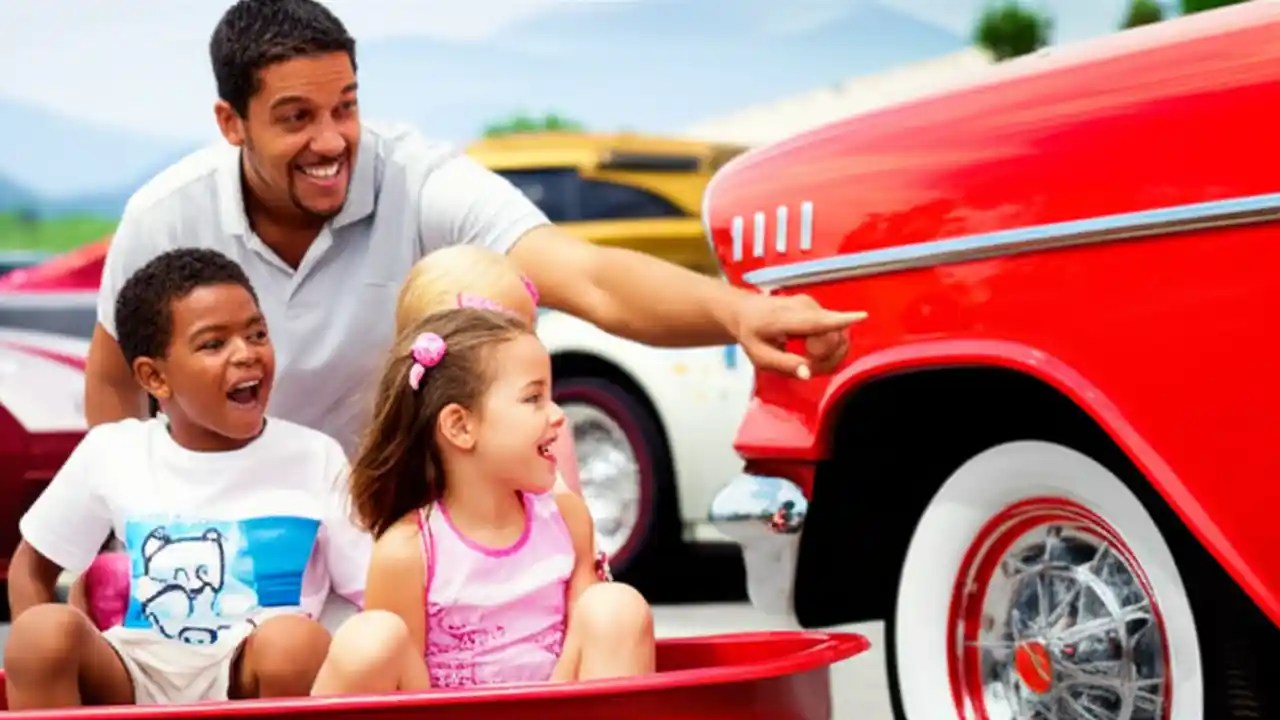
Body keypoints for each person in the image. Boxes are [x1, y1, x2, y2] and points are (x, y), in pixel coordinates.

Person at [83, 0, 865, 461]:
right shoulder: (165, 216)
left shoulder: (416, 179)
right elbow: (116, 382)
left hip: (384, 526)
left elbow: (587, 277)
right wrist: (119, 522)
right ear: (231, 123)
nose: (330, 140)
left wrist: (738, 311)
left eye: (346, 107)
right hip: (225, 527)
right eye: (296, 118)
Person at [4, 248, 369, 709]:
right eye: (214, 344)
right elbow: (31, 568)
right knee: (40, 634)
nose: (246, 354)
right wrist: (46, 662)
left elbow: (372, 590)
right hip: (137, 668)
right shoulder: (114, 451)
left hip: (250, 670)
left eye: (257, 334)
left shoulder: (314, 456)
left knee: (293, 642)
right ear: (155, 377)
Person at [310, 309, 654, 695]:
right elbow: (405, 689)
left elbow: (586, 649)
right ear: (460, 426)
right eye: (533, 398)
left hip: (558, 708)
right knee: (370, 637)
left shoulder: (566, 517)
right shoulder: (408, 551)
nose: (558, 416)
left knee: (616, 605)